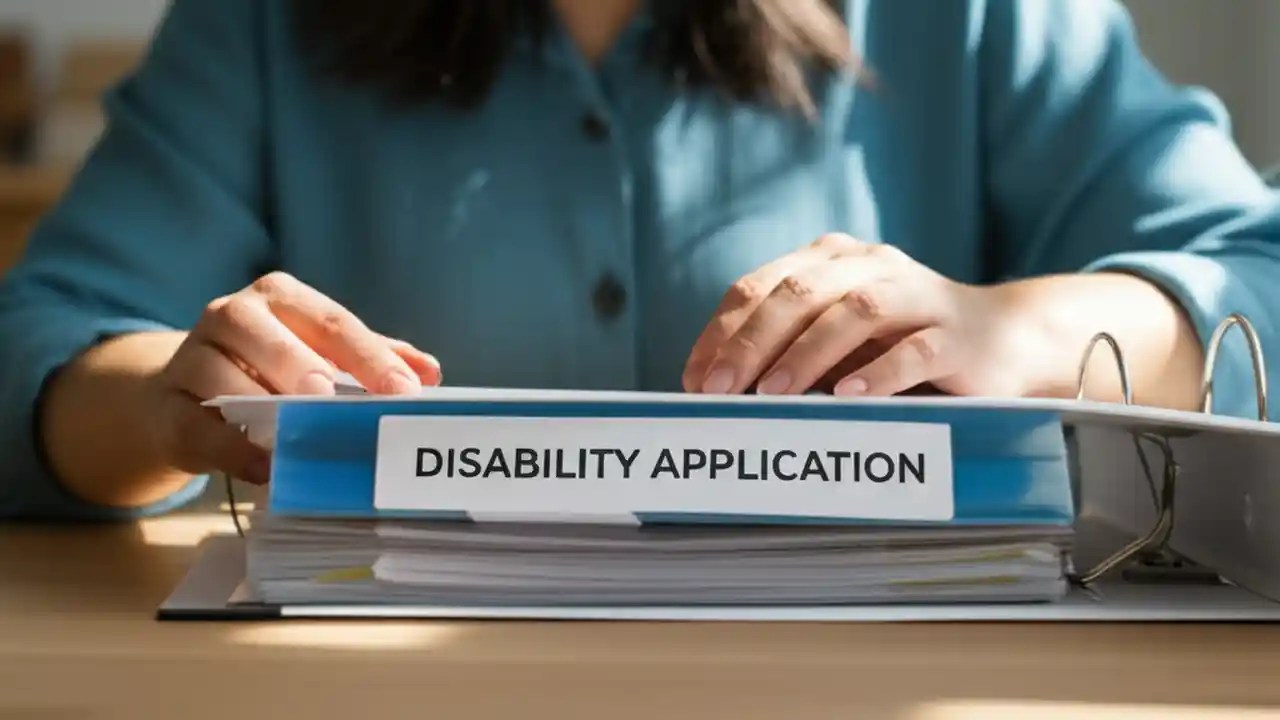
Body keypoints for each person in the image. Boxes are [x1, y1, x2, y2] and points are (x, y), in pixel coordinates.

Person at [1, 0, 1277, 520]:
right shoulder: (262, 26)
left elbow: (1250, 275)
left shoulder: (974, 16)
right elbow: (40, 347)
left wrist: (1026, 330)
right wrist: (167, 404)